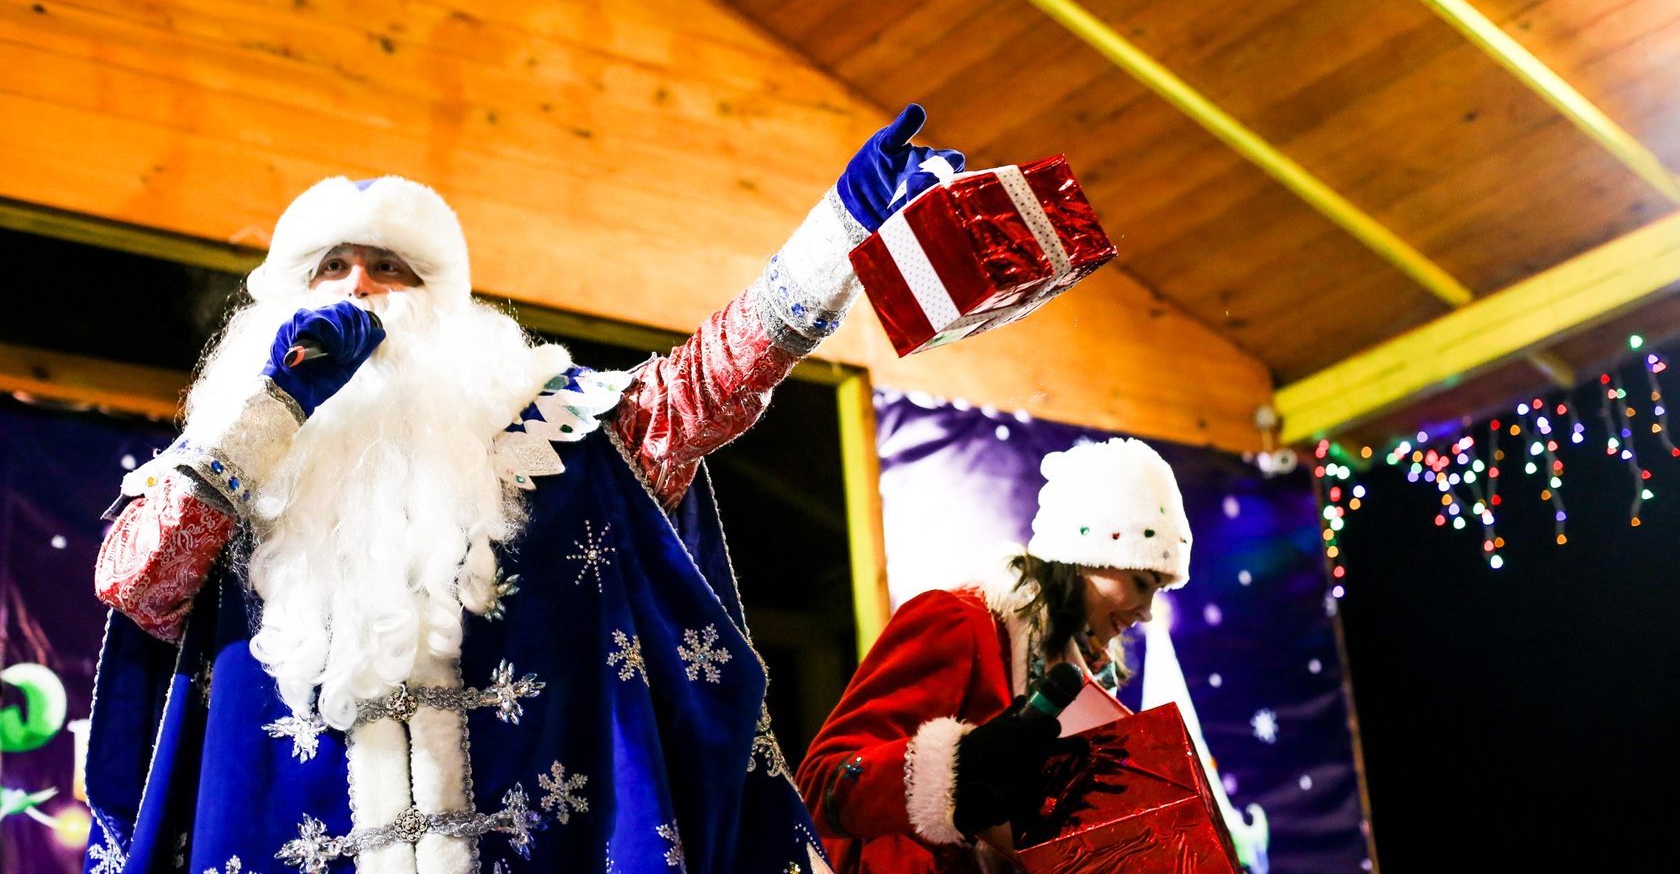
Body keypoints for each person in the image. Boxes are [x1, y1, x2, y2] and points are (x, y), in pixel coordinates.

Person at [82, 107, 962, 874]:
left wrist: (838, 239)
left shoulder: (554, 432)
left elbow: (708, 384)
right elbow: (138, 584)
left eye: (390, 265)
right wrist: (273, 410)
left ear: (446, 306)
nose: (360, 286)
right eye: (332, 266)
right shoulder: (224, 469)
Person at [794, 437, 1192, 873]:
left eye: (1157, 590)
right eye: (1141, 582)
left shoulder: (1089, 679)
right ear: (1083, 556)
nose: (1146, 612)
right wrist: (955, 771)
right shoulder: (958, 621)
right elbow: (820, 785)